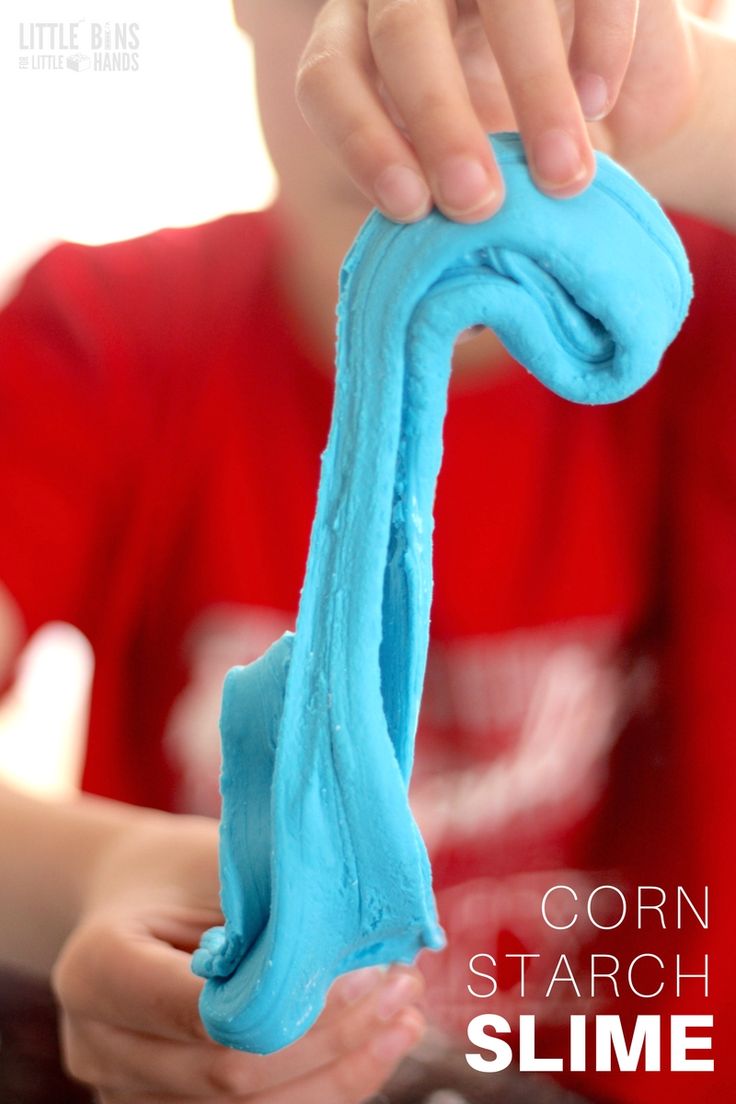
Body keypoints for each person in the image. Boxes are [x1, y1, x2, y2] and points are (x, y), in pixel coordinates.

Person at [0, 1, 734, 1101]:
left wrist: (658, 90)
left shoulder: (704, 333)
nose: (415, 63)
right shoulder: (104, 339)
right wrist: (93, 878)